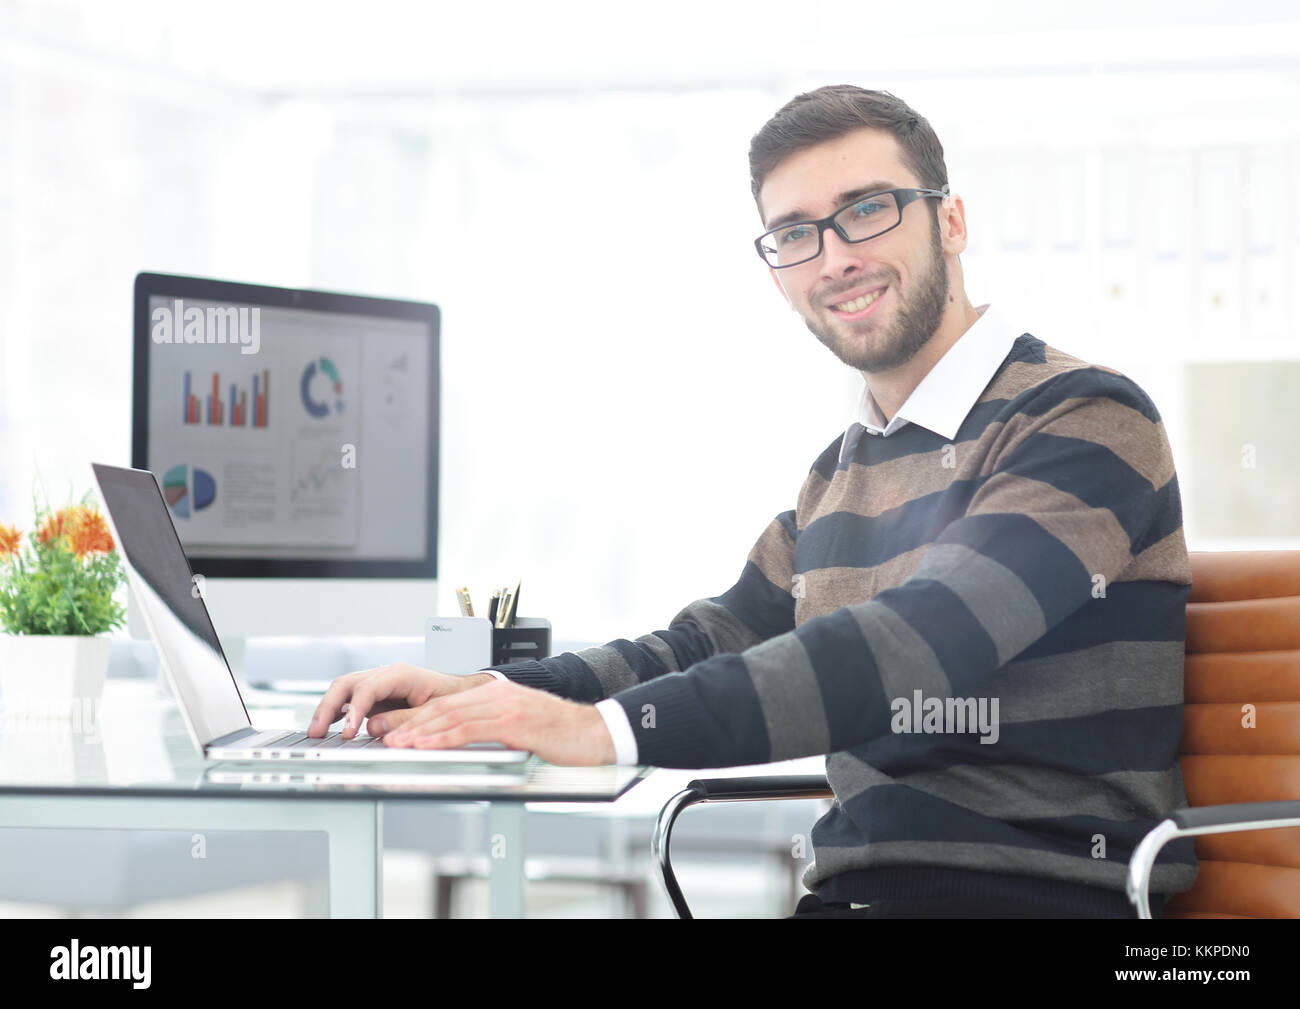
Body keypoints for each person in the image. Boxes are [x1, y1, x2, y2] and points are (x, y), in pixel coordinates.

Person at [309, 84, 1197, 918]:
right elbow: (707, 640)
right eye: (795, 233)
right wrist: (493, 688)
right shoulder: (840, 473)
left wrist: (602, 732)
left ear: (951, 220)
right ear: (777, 271)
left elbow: (926, 641)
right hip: (856, 894)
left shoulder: (1085, 418)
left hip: (1042, 898)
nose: (836, 256)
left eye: (866, 209)